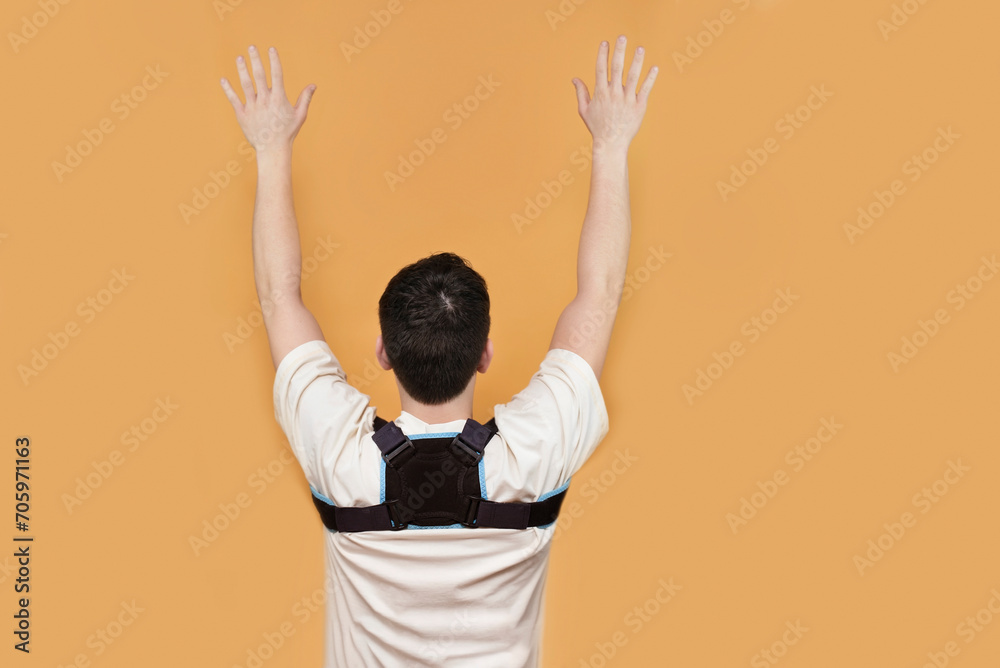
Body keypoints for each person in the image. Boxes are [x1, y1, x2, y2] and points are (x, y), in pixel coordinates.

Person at [220, 35, 657, 667]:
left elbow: (276, 296)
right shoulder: (534, 453)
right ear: (485, 355)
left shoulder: (341, 459)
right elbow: (602, 295)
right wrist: (611, 145)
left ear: (383, 352)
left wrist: (270, 148)